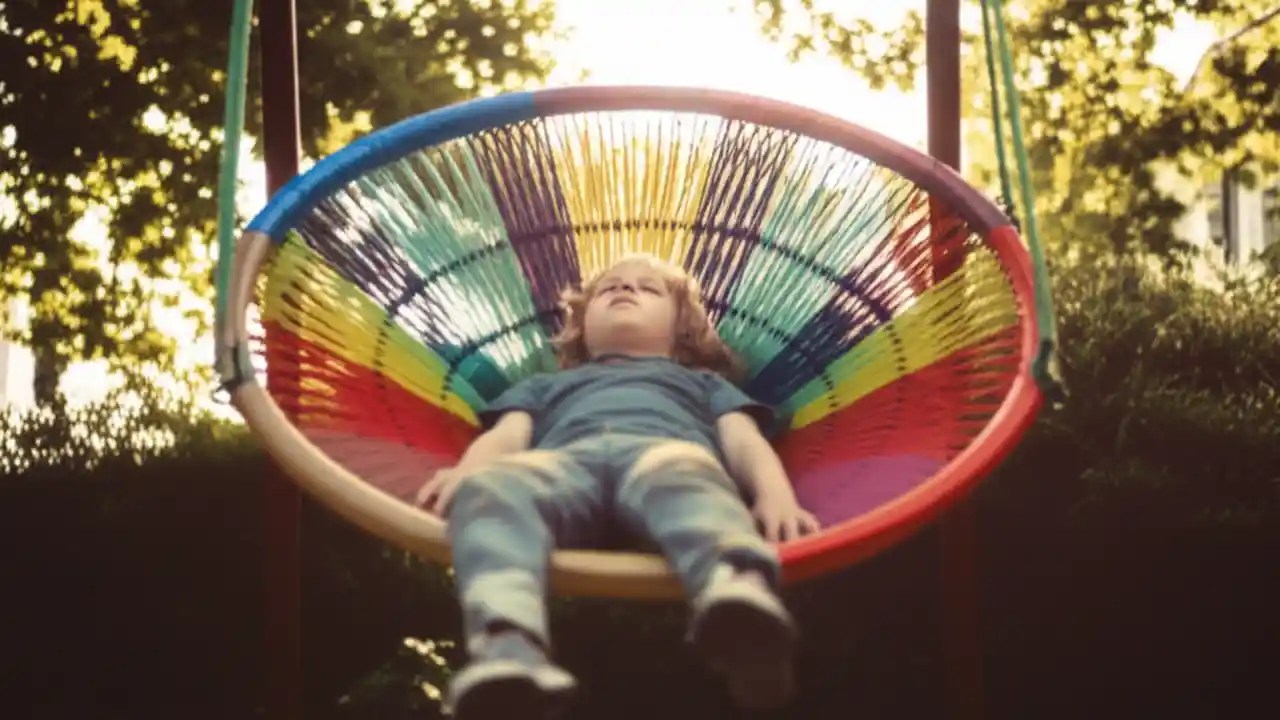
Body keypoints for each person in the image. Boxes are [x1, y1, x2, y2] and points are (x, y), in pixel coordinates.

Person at [414, 253, 821, 719]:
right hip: (565, 465)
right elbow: (507, 437)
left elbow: (744, 442)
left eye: (648, 289)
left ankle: (738, 598)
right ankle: (508, 648)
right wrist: (470, 472)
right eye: (610, 288)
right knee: (494, 488)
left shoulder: (702, 383)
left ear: (682, 329)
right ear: (582, 325)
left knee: (687, 477)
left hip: (662, 454)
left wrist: (775, 496)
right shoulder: (545, 385)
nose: (626, 290)